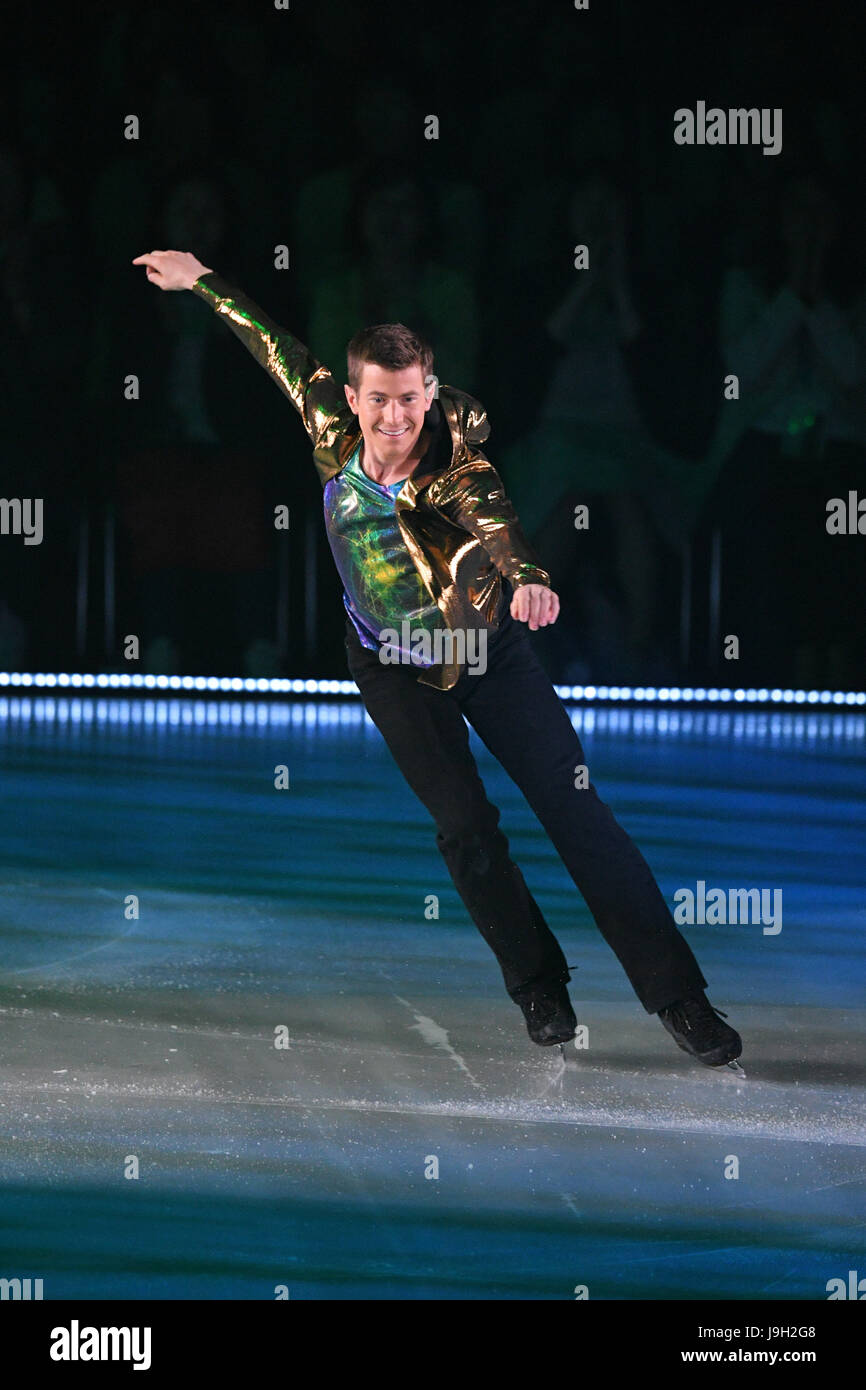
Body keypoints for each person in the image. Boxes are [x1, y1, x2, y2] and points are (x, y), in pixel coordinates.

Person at [132, 248, 743, 1069]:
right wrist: (202, 280)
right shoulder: (327, 421)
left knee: (579, 815)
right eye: (379, 400)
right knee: (465, 828)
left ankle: (680, 998)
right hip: (391, 663)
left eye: (411, 399)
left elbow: (502, 529)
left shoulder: (460, 466)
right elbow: (272, 345)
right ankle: (537, 985)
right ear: (353, 398)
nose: (396, 418)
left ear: (430, 390)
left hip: (489, 651)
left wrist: (528, 580)